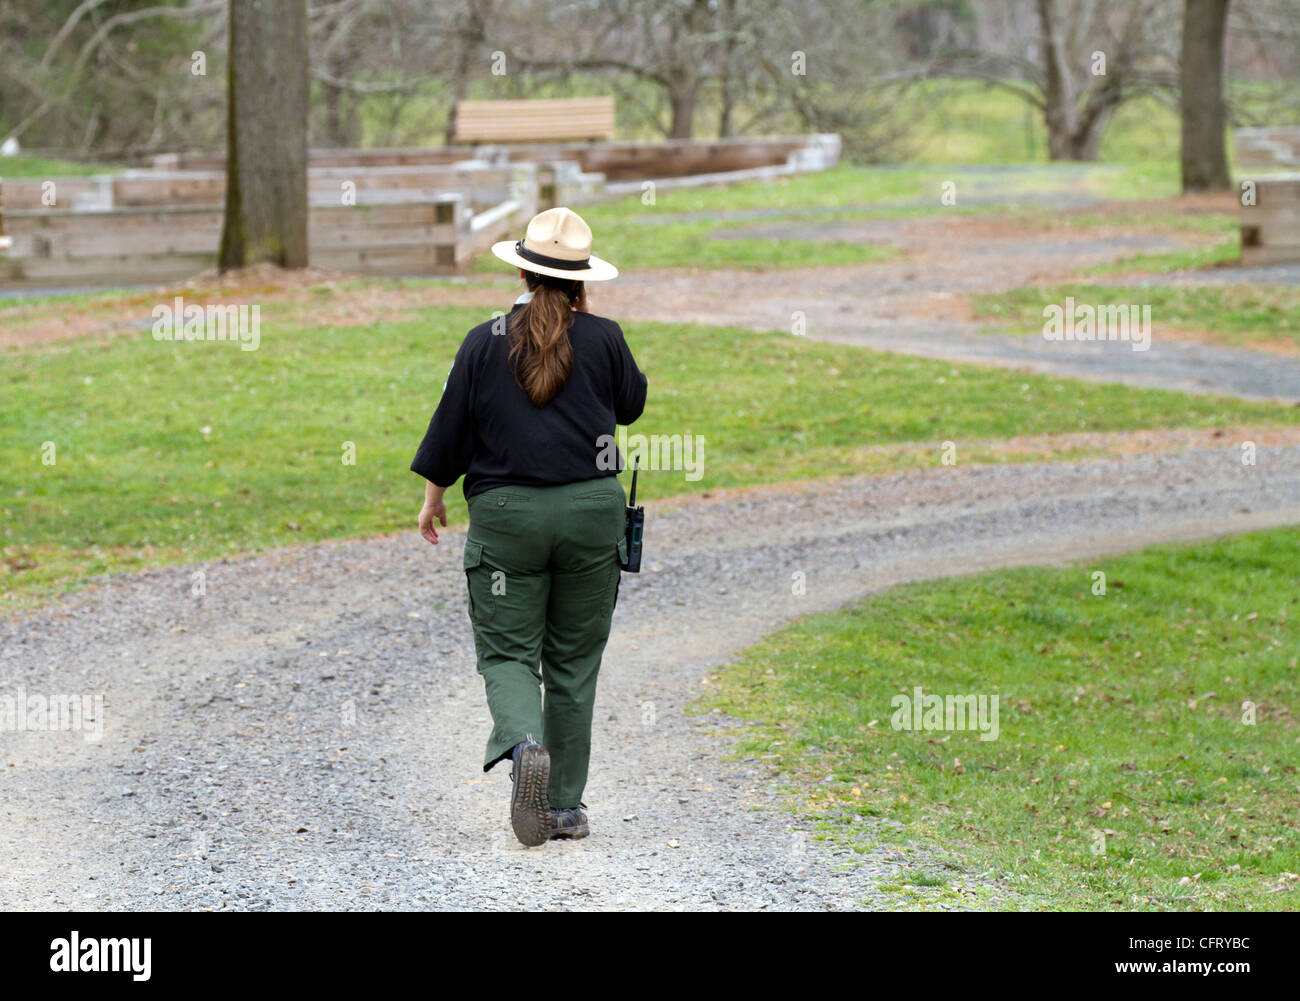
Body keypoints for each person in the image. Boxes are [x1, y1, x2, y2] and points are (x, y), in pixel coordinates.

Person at [411, 207, 647, 847]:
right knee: (572, 662)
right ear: (582, 280)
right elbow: (632, 404)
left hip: (506, 517)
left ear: (520, 268)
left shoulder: (483, 337)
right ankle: (565, 808)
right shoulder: (604, 336)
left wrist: (434, 497)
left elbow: (449, 432)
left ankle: (522, 746)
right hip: (591, 516)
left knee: (510, 653)